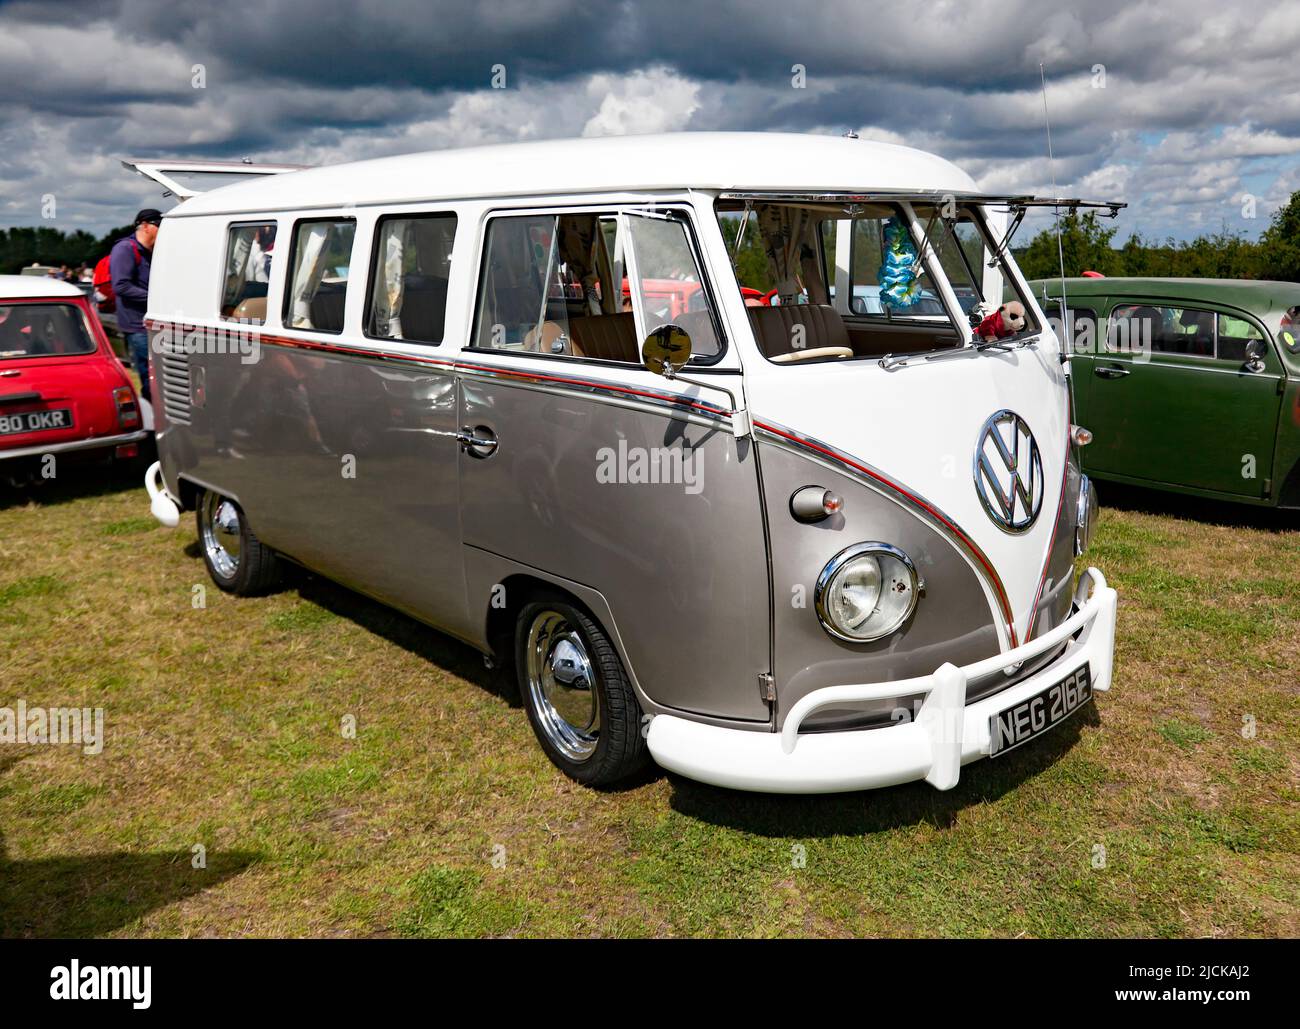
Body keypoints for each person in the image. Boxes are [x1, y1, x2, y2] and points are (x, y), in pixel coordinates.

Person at [110, 208, 161, 400]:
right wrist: (156, 298)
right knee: (150, 377)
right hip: (138, 326)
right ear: (146, 226)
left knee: (158, 375)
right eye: (159, 226)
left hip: (153, 323)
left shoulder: (151, 252)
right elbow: (121, 286)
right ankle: (153, 420)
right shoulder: (125, 249)